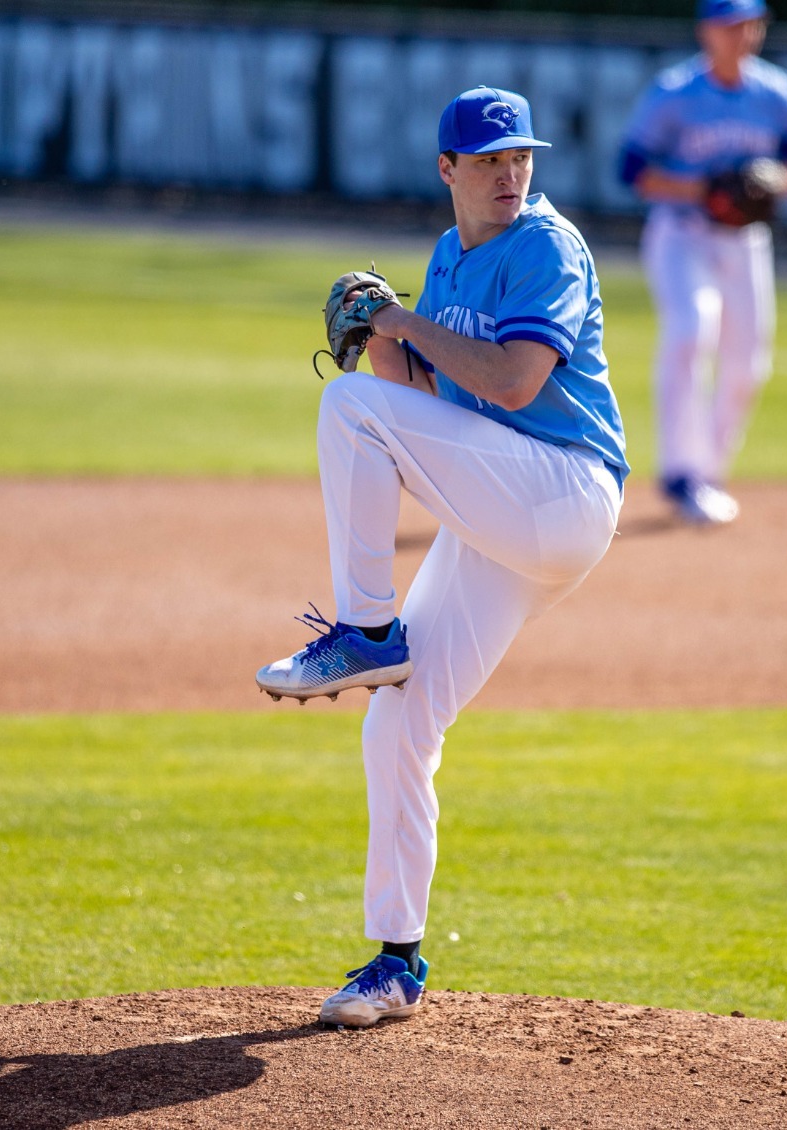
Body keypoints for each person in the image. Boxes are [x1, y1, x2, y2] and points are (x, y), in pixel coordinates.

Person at [254, 86, 626, 1028]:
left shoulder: (545, 244)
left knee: (347, 416)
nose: (510, 174)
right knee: (399, 722)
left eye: (522, 158)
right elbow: (416, 396)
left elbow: (510, 378)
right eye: (491, 160)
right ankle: (396, 961)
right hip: (500, 515)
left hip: (564, 493)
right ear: (448, 171)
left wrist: (405, 322)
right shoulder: (448, 257)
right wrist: (383, 331)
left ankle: (365, 628)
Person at [618, 0, 787, 525]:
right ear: (707, 30)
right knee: (690, 331)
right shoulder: (675, 93)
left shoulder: (778, 93)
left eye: (751, 24)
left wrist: (767, 182)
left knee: (748, 364)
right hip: (681, 234)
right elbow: (633, 171)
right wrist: (707, 188)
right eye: (731, 25)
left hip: (745, 242)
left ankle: (708, 472)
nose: (742, 34)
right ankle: (681, 473)